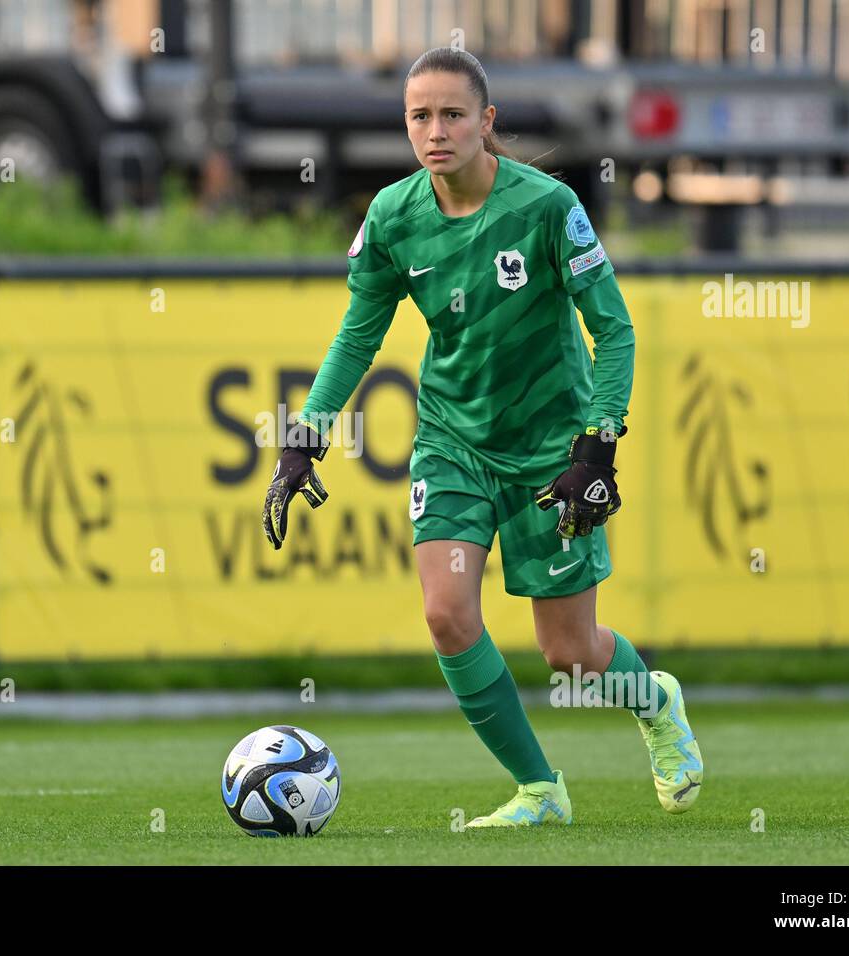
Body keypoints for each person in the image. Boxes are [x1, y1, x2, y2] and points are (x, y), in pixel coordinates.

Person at [261, 47, 702, 827]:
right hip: (453, 443)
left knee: (570, 655)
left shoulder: (546, 207)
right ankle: (540, 790)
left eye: (453, 114)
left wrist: (596, 447)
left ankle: (654, 699)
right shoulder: (394, 217)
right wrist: (305, 437)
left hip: (551, 450)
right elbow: (358, 336)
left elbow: (616, 333)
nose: (436, 131)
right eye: (420, 117)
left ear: (486, 122)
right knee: (446, 614)